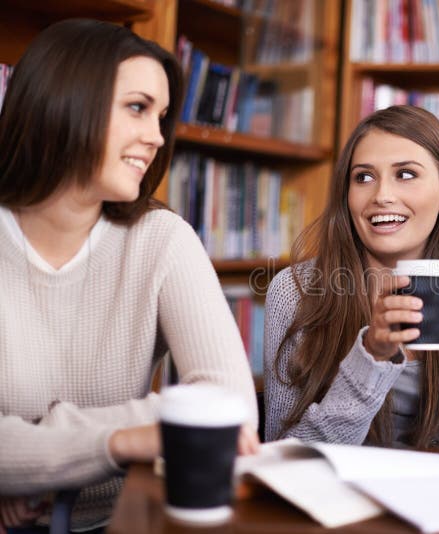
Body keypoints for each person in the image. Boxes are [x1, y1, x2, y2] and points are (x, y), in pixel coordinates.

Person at [0, 18, 259, 532]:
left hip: (129, 521)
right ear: (66, 97)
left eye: (162, 116)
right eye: (138, 108)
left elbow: (232, 412)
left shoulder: (162, 240)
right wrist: (125, 436)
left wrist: (31, 460)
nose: (157, 137)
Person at [263, 105, 439, 448]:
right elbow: (283, 461)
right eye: (364, 177)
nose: (382, 196)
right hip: (334, 500)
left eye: (405, 174)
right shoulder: (294, 293)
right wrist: (371, 356)